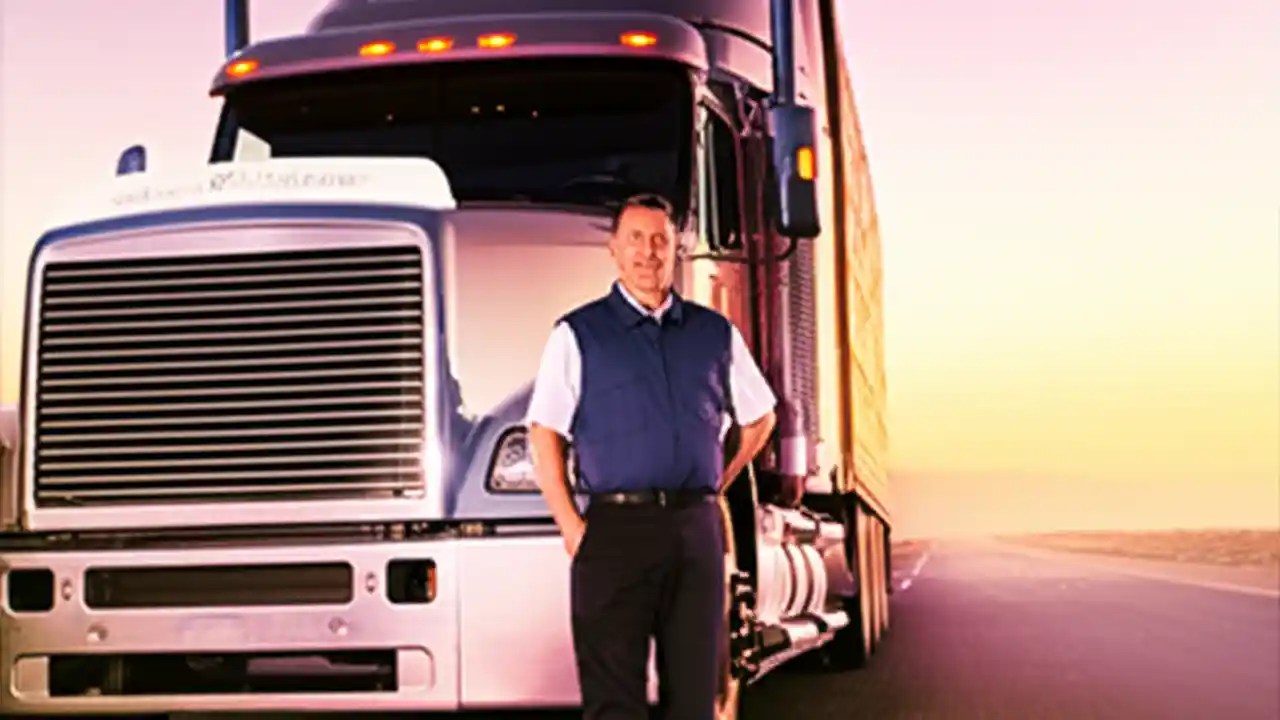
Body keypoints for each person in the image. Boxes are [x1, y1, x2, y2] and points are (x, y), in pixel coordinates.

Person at [525, 193, 778, 720]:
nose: (649, 252)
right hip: (614, 531)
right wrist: (573, 527)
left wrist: (719, 481)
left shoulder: (713, 334)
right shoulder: (578, 334)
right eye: (635, 239)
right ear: (614, 250)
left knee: (693, 697)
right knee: (613, 699)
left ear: (677, 249)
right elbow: (544, 432)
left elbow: (761, 417)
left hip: (694, 531)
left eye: (660, 240)